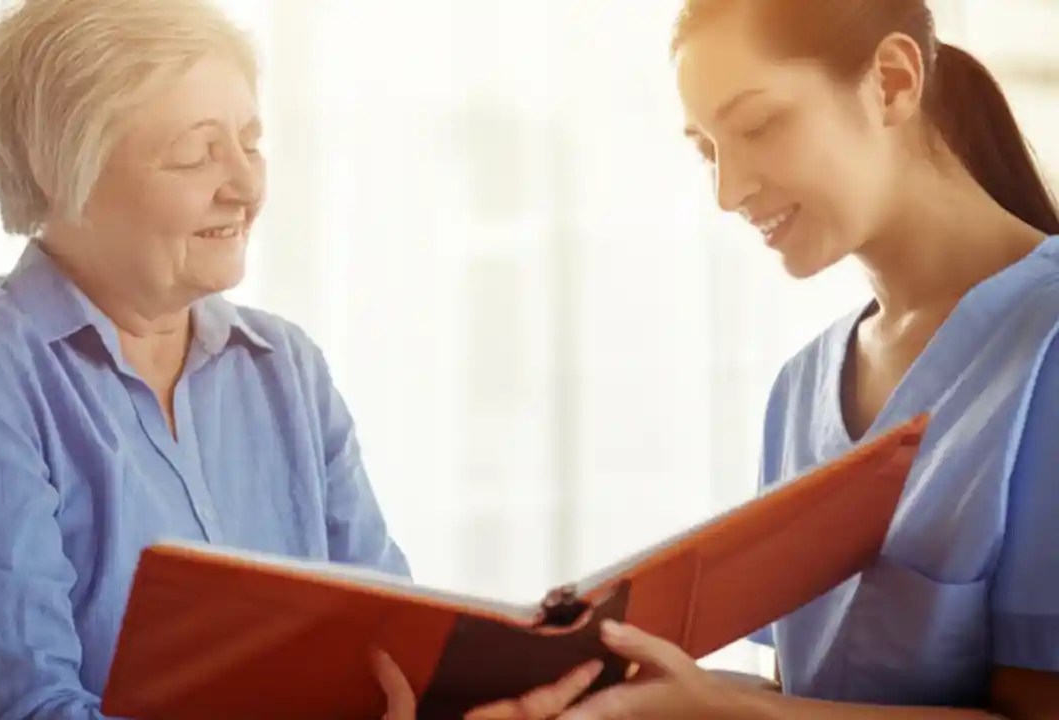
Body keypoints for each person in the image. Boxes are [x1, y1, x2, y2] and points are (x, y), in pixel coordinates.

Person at [378, 0, 1059, 717]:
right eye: (707, 150)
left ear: (891, 81)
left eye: (759, 126)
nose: (729, 191)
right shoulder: (801, 391)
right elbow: (798, 696)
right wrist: (589, 693)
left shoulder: (1042, 342)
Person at [0, 0, 408, 717]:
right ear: (66, 174)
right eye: (196, 152)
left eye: (250, 143)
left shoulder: (287, 371)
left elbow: (395, 646)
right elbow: (20, 711)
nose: (245, 186)